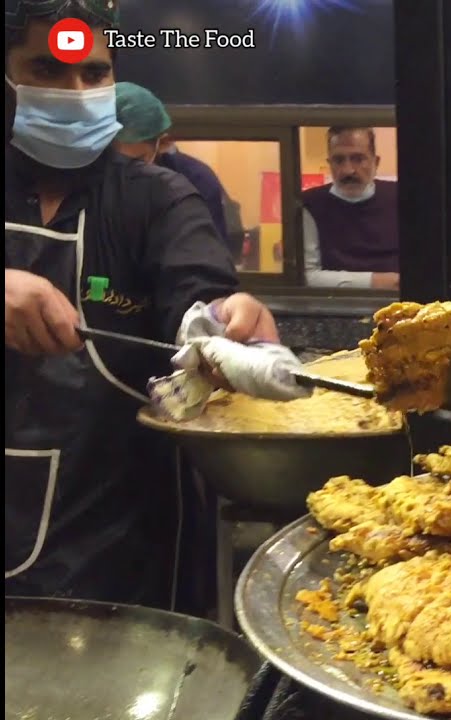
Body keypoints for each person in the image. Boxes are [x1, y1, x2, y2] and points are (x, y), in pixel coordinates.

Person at [5, 0, 282, 608]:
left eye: (94, 73)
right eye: (48, 70)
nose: (77, 93)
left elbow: (197, 289)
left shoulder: (155, 198)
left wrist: (221, 319)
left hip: (122, 539)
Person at [112, 81, 234, 259]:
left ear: (162, 143)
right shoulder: (90, 181)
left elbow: (209, 258)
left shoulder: (196, 181)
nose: (124, 172)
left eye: (136, 162)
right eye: (114, 162)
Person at [301, 127, 400, 290]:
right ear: (329, 163)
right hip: (334, 301)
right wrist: (376, 281)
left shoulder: (401, 197)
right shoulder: (309, 204)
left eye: (358, 159)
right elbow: (307, 276)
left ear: (376, 162)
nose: (348, 170)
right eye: (339, 160)